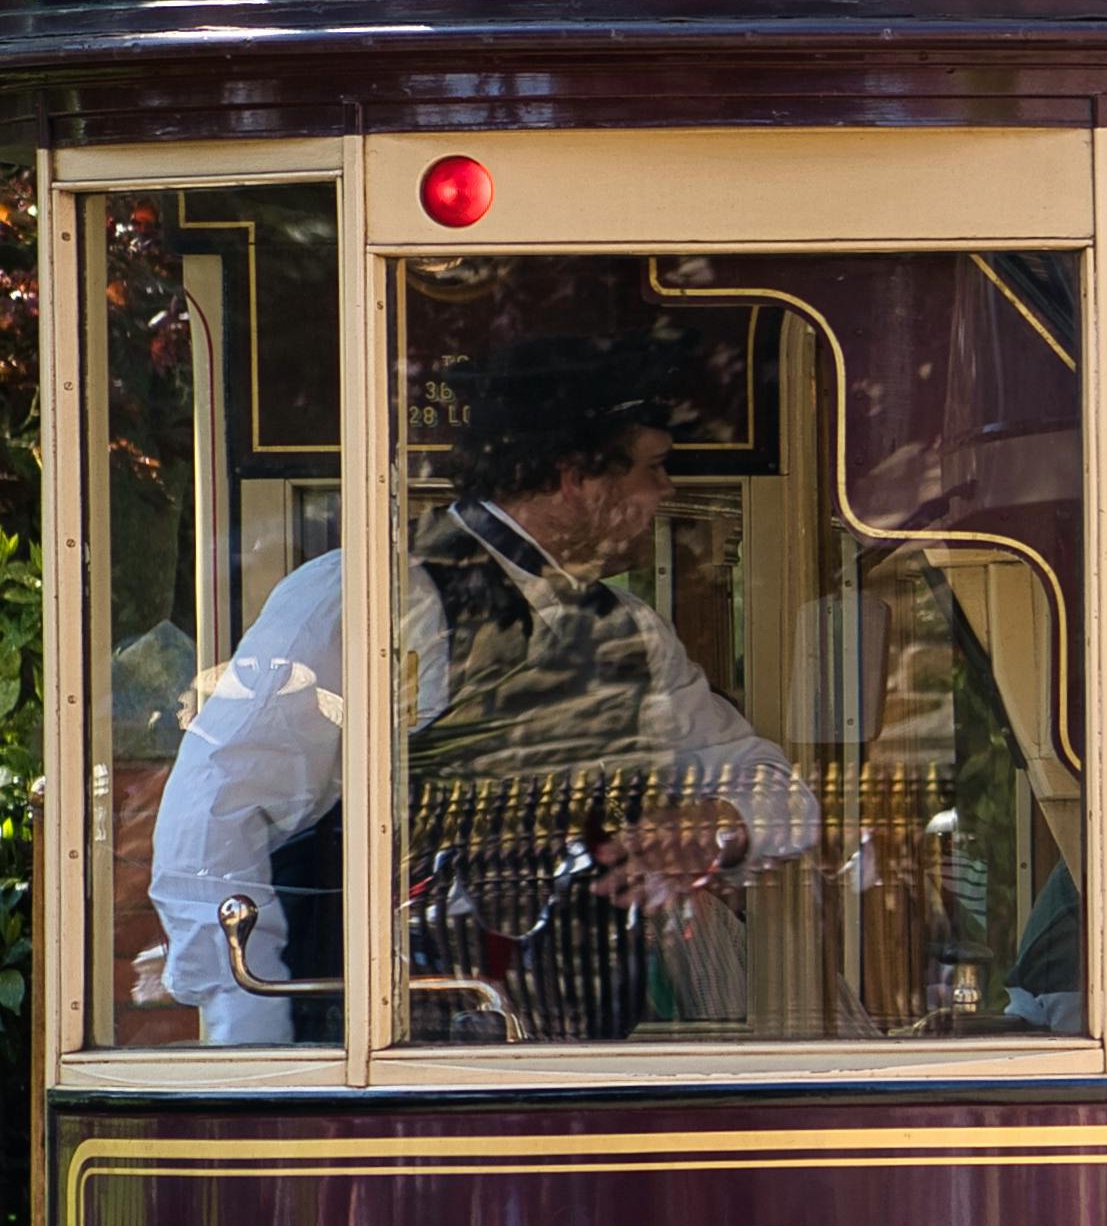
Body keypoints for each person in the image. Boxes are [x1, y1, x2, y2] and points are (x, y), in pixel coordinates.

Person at [149, 330, 815, 1046]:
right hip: (386, 1067)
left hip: (585, 1070)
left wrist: (717, 822)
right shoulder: (363, 598)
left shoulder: (632, 630)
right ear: (575, 476)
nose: (666, 491)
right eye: (652, 467)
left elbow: (785, 798)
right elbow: (214, 820)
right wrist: (255, 1047)